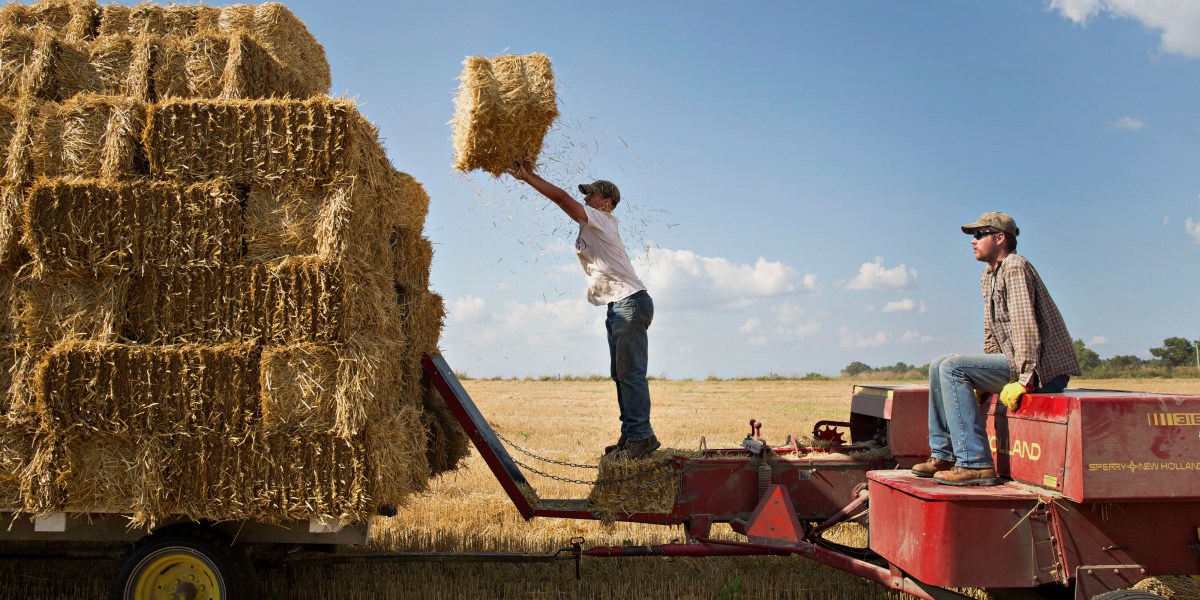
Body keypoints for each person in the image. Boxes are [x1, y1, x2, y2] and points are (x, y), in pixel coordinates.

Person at [913, 212, 1080, 486]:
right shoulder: (988, 275)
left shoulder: (1014, 267)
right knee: (939, 364)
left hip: (1041, 369)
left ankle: (975, 463)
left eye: (979, 235)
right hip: (1014, 363)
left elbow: (1026, 326)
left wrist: (1027, 380)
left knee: (953, 367)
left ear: (1000, 238)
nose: (973, 241)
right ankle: (943, 454)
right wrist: (984, 379)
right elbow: (991, 332)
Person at [506, 161, 660, 460]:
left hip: (630, 302)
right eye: (586, 195)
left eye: (592, 195)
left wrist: (528, 177)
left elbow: (563, 198)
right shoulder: (592, 224)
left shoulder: (602, 220)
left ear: (607, 203)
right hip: (620, 305)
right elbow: (568, 204)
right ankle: (632, 436)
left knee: (631, 375)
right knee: (621, 375)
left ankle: (642, 437)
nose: (587, 199)